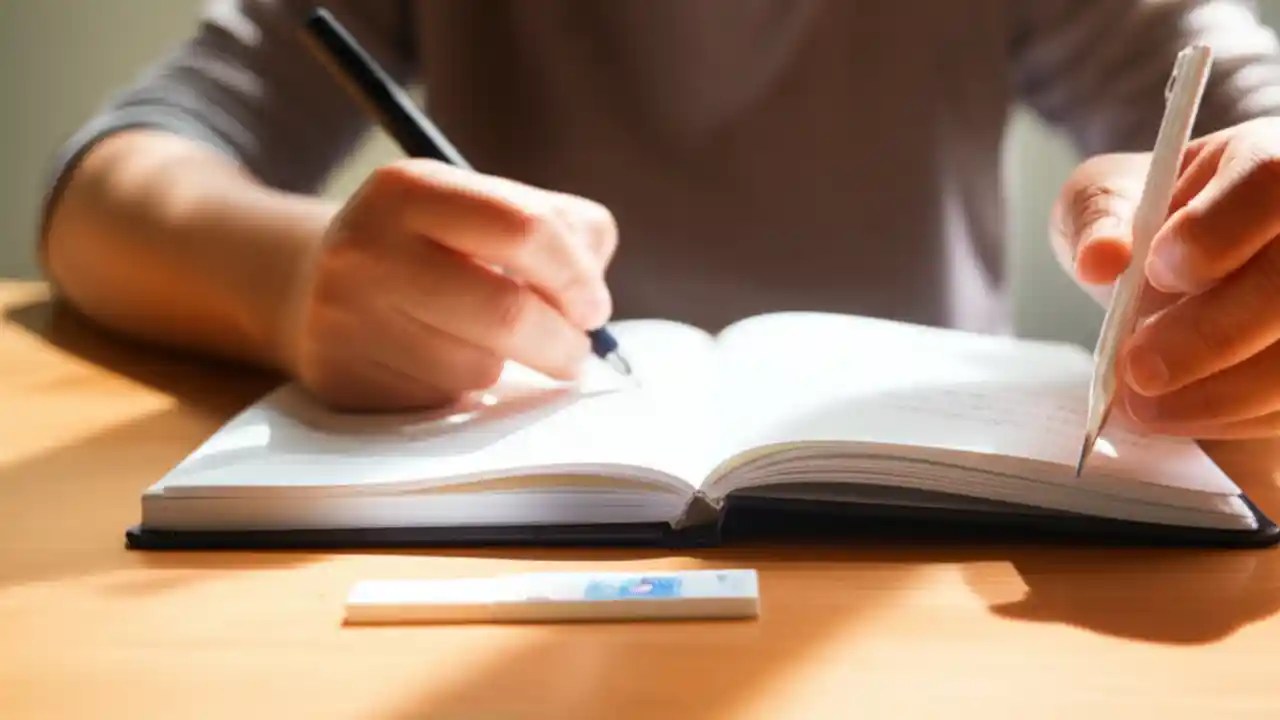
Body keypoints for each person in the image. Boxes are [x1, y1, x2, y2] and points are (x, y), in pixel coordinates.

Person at [38, 1, 1280, 439]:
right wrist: (292, 282)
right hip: (499, 549)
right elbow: (110, 185)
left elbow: (1249, 105)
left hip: (920, 560)